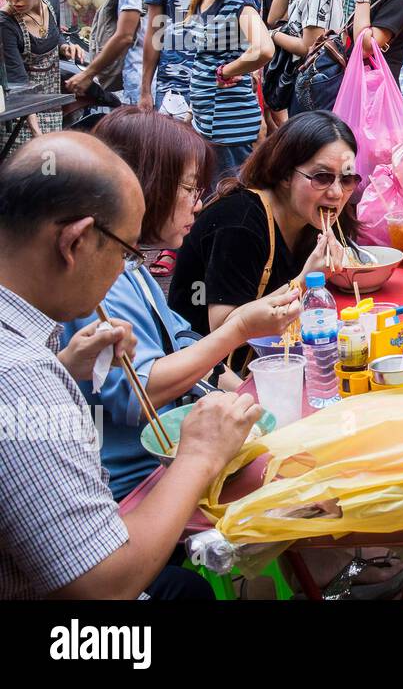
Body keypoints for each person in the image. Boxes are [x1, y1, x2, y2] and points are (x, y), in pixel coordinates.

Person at [0, 132, 266, 599]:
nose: (129, 266)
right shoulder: (20, 377)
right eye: (125, 253)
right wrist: (199, 456)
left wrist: (66, 366)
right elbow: (102, 586)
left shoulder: (28, 348)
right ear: (75, 242)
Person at [61, 108, 302, 500]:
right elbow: (138, 395)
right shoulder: (100, 278)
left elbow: (180, 337)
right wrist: (238, 331)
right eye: (189, 188)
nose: (198, 204)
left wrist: (239, 389)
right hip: (135, 484)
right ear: (142, 187)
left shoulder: (133, 264)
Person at [168, 111, 355, 354]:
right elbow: (222, 327)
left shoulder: (315, 218)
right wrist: (305, 280)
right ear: (286, 174)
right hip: (211, 372)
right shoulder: (239, 222)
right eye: (322, 177)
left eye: (347, 179)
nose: (337, 193)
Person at [169, 0, 273, 185]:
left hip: (229, 127)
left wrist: (227, 71)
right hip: (208, 121)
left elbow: (264, 49)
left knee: (230, 196)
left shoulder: (238, 4)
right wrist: (194, 112)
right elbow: (206, 60)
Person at [263, 0, 349, 125]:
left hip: (309, 84)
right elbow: (273, 17)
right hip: (320, 83)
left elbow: (308, 47)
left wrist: (272, 35)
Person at [0, 0, 75, 147]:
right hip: (23, 118)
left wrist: (64, 47)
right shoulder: (6, 24)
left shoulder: (51, 1)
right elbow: (18, 84)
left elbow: (54, 33)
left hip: (52, 106)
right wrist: (36, 132)